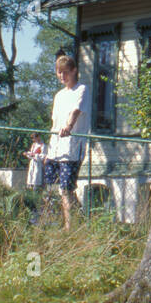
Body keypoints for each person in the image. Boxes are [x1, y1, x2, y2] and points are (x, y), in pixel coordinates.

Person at [43, 54, 89, 231]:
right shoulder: (59, 96)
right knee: (53, 188)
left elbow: (76, 111)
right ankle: (70, 221)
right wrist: (48, 151)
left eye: (65, 72)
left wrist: (69, 126)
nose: (62, 76)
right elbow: (54, 123)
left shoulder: (82, 89)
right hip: (55, 149)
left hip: (72, 148)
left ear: (74, 71)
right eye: (59, 73)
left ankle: (69, 228)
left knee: (66, 189)